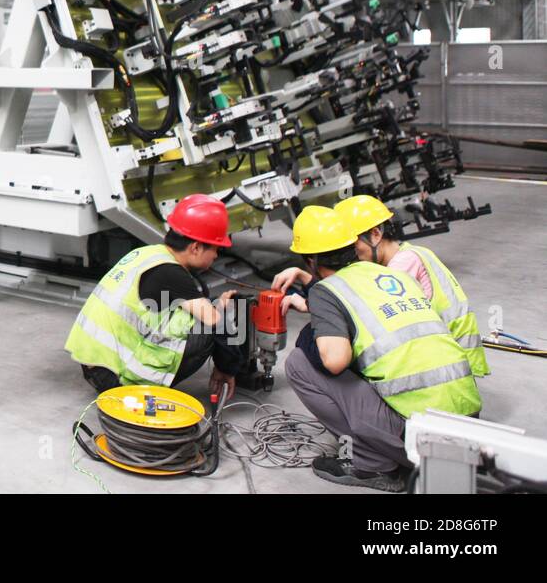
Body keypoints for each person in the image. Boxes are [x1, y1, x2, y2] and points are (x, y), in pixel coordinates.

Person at [277, 206, 482, 492]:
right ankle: (389, 448)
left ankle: (372, 463)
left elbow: (335, 361)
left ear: (310, 260)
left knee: (300, 362)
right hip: (470, 421)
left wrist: (308, 335)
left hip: (421, 439)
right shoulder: (391, 274)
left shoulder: (327, 291)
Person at [64, 194, 246, 398]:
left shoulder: (149, 254)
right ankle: (228, 376)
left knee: (208, 312)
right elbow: (216, 323)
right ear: (195, 248)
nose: (216, 255)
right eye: (216, 249)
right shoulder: (171, 273)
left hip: (96, 364)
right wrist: (227, 367)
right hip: (117, 379)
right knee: (220, 323)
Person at [335, 194, 488, 377]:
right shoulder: (413, 252)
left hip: (448, 362)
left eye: (352, 246)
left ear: (375, 234)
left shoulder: (401, 266)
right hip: (457, 355)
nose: (350, 255)